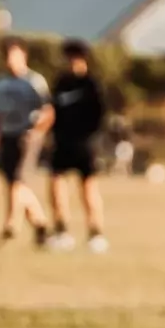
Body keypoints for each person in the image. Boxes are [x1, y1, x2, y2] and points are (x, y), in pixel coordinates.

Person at [0, 38, 53, 246]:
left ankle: (11, 225)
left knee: (18, 182)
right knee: (12, 184)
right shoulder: (1, 83)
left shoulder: (34, 82)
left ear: (23, 56)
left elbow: (48, 110)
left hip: (27, 136)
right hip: (7, 135)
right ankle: (40, 222)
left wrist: (37, 131)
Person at [47, 39, 109, 252]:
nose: (72, 63)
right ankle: (61, 230)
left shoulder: (92, 85)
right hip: (62, 142)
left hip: (85, 144)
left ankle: (96, 233)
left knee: (88, 188)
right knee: (56, 185)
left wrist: (90, 139)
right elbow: (52, 110)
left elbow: (100, 116)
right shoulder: (61, 83)